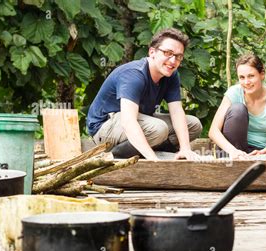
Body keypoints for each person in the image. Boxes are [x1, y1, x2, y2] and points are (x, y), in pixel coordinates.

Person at [86, 28, 202, 160]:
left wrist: (185, 149)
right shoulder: (134, 74)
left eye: (178, 56)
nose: (173, 61)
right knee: (158, 129)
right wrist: (154, 161)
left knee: (193, 124)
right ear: (152, 52)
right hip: (105, 128)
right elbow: (128, 121)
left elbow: (176, 111)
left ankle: (148, 150)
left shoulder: (171, 74)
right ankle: (116, 154)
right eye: (168, 53)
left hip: (141, 122)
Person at [208, 53, 266, 160]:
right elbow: (213, 131)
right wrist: (233, 151)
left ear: (262, 74)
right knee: (238, 110)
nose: (246, 82)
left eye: (251, 76)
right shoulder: (234, 93)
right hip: (232, 149)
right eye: (242, 77)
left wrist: (262, 152)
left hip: (261, 151)